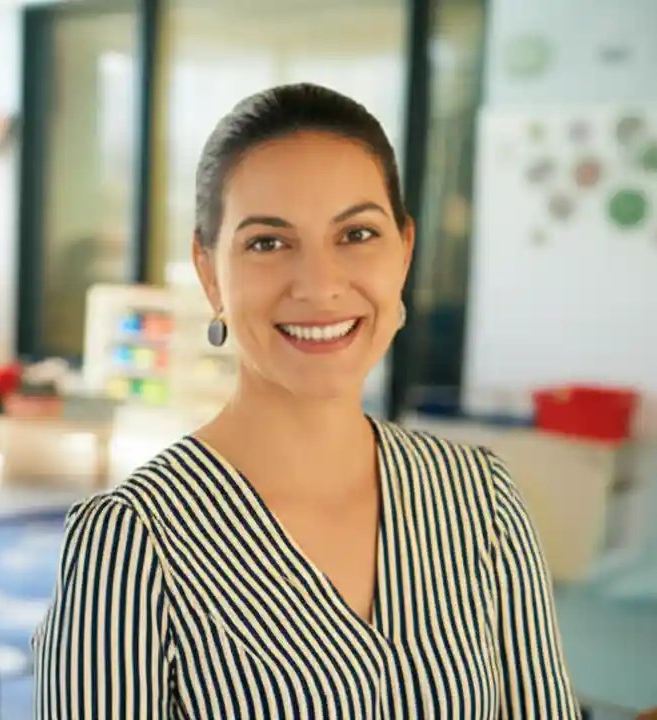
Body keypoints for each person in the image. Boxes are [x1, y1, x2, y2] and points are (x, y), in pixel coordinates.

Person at [32, 83, 578, 718]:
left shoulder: (481, 500)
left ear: (404, 251)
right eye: (268, 242)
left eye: (357, 234)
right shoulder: (131, 542)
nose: (319, 286)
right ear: (209, 272)